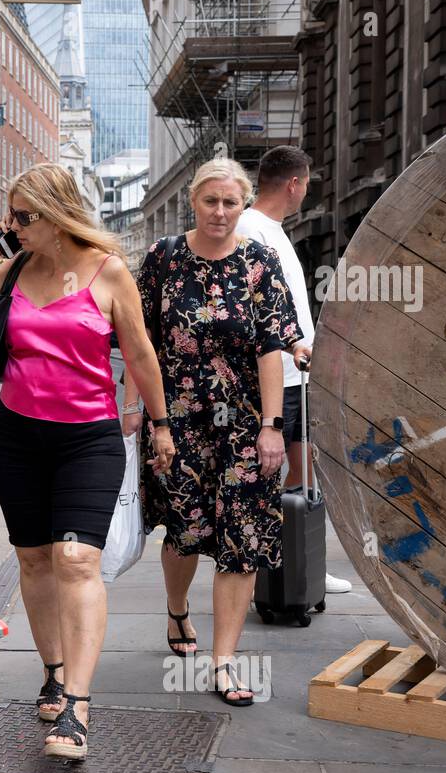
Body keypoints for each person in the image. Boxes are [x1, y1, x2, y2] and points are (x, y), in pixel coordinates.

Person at [0, 164, 174, 760]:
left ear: (56, 215)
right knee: (34, 559)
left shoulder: (108, 272)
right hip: (18, 438)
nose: (14, 226)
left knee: (76, 560)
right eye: (12, 216)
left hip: (88, 440)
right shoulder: (13, 267)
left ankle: (76, 705)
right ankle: (51, 669)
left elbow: (143, 356)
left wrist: (161, 424)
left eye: (24, 217)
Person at [131, 158, 309, 705]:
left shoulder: (260, 261)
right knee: (184, 532)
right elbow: (141, 343)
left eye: (231, 202)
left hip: (246, 427)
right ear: (193, 200)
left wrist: (274, 427)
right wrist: (139, 409)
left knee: (243, 541)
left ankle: (224, 662)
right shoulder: (162, 258)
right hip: (177, 421)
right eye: (211, 201)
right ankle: (178, 610)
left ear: (244, 204)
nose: (221, 212)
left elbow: (272, 348)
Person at [236, 145, 351, 595]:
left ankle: (299, 565)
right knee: (270, 475)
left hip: (295, 373)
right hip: (274, 376)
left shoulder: (275, 230)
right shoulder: (252, 229)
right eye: (306, 184)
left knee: (304, 470)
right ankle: (271, 568)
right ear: (294, 184)